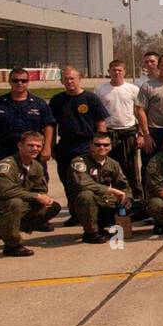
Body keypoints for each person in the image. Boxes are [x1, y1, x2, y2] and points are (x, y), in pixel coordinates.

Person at [0, 131, 60, 257]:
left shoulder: (36, 166)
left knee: (52, 207)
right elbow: (7, 191)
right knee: (15, 202)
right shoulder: (6, 165)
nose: (34, 149)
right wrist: (37, 197)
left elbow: (40, 189)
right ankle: (12, 245)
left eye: (38, 146)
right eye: (30, 145)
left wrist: (42, 197)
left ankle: (3, 229)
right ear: (20, 146)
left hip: (17, 205)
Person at [50, 65, 109, 226]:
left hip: (86, 145)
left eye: (72, 78)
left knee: (88, 182)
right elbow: (51, 126)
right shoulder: (57, 100)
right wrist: (51, 146)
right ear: (62, 81)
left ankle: (97, 213)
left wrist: (100, 145)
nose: (69, 82)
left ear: (79, 78)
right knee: (68, 182)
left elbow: (101, 122)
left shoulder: (91, 98)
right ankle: (75, 214)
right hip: (65, 146)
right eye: (66, 79)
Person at [0, 68, 57, 169]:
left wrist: (47, 148)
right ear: (10, 82)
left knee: (36, 182)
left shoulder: (39, 104)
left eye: (23, 80)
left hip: (32, 151)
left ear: (28, 82)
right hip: (6, 150)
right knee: (3, 181)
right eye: (15, 80)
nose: (19, 83)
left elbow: (48, 126)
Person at [68, 133, 131, 243]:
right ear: (91, 146)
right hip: (84, 206)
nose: (102, 147)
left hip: (105, 202)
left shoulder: (113, 163)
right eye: (98, 144)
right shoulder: (79, 162)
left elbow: (123, 185)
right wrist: (110, 190)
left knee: (140, 207)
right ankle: (91, 233)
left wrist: (127, 198)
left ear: (111, 147)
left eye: (106, 145)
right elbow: (83, 184)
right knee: (86, 196)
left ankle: (103, 225)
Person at [94, 59, 143, 202]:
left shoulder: (133, 89)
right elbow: (97, 114)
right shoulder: (100, 90)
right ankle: (112, 197)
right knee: (108, 167)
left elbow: (139, 112)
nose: (116, 73)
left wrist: (140, 134)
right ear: (109, 72)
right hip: (109, 133)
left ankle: (137, 198)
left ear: (124, 72)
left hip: (128, 132)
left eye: (119, 70)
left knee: (131, 168)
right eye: (113, 70)